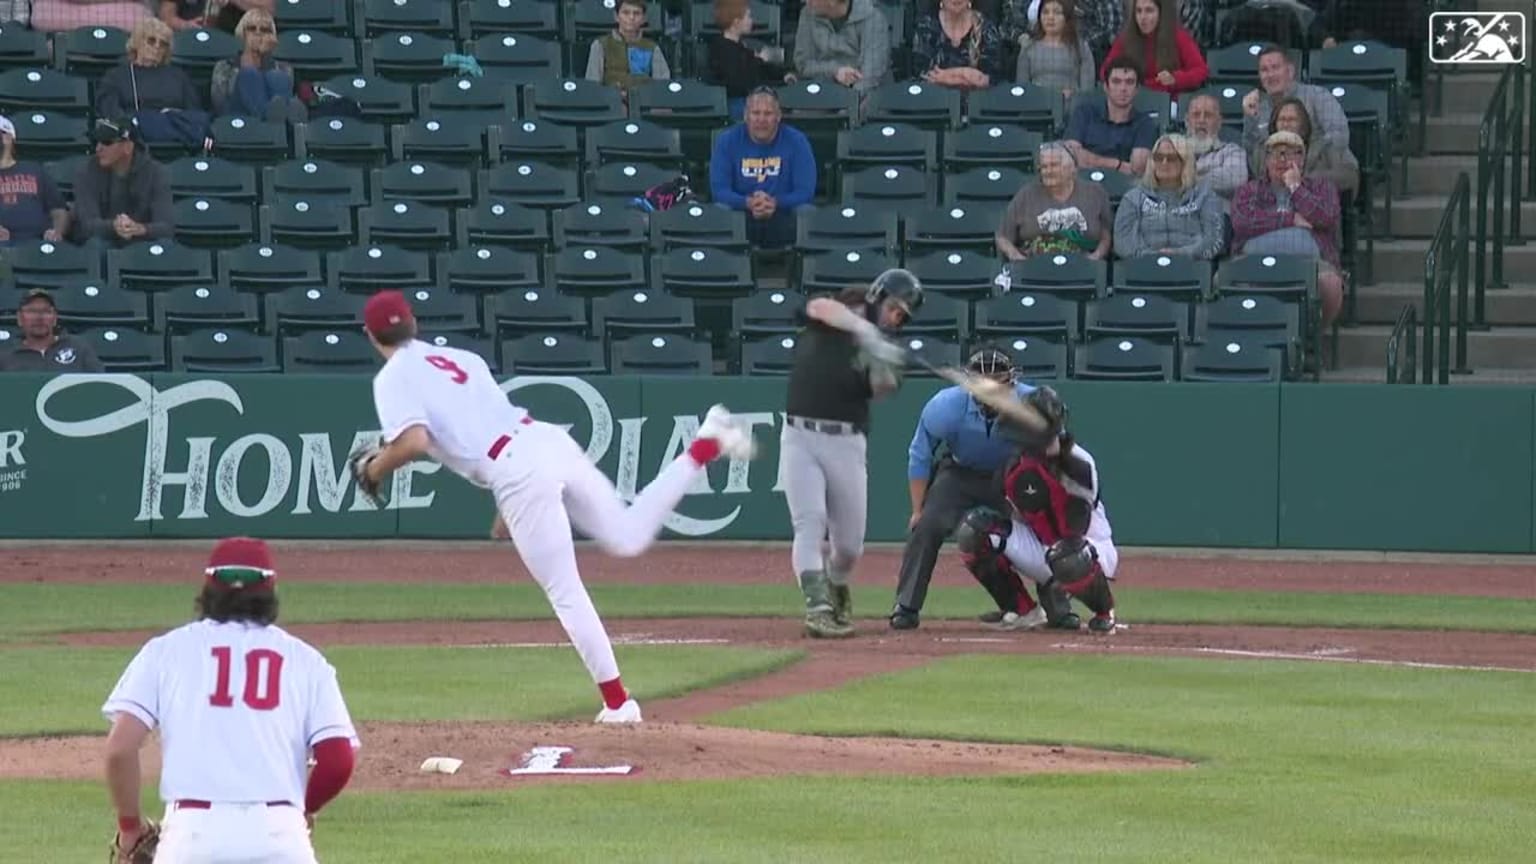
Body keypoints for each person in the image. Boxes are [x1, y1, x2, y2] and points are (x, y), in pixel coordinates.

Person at [354, 290, 758, 722]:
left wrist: (374, 469)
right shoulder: (460, 357)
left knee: (565, 590)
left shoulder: (392, 378)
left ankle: (618, 703)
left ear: (369, 335)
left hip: (515, 469)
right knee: (626, 537)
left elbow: (414, 442)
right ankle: (705, 444)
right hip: (543, 440)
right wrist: (509, 504)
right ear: (413, 322)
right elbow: (485, 425)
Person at [102, 537, 359, 863]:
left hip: (193, 837)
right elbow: (338, 760)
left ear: (208, 588)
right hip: (279, 836)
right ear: (270, 591)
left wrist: (129, 827)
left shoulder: (165, 652)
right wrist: (304, 809)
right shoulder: (306, 661)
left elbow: (120, 749)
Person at [782, 269, 923, 638]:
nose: (895, 318)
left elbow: (882, 389)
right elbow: (817, 307)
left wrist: (882, 357)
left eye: (902, 316)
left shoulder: (887, 346)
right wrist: (864, 331)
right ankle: (817, 609)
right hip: (798, 435)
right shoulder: (837, 312)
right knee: (809, 523)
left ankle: (837, 584)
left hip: (845, 441)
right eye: (893, 308)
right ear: (878, 296)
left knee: (848, 547)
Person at [889, 347, 1034, 631]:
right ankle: (906, 606)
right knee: (926, 526)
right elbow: (920, 454)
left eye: (997, 380)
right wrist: (917, 510)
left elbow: (1055, 452)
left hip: (1012, 474)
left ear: (1011, 381)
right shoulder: (945, 406)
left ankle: (1055, 609)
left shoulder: (1032, 403)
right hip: (959, 473)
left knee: (1043, 529)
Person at [963, 387, 1119, 633]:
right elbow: (1017, 517)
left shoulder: (1079, 463)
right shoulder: (1015, 467)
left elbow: (1074, 524)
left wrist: (1053, 463)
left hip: (1089, 549)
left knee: (1066, 555)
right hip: (1044, 547)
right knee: (974, 530)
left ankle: (1104, 611)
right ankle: (1022, 610)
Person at [1231, 130, 1343, 329]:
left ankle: (1312, 338)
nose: (1282, 160)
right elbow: (1243, 222)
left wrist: (1296, 188)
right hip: (1253, 263)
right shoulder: (1249, 190)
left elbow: (1326, 216)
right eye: (1276, 153)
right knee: (1221, 279)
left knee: (1331, 285)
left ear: (1302, 159)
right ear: (1266, 160)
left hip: (1310, 263)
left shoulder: (1322, 188)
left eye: (1291, 153)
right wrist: (1290, 219)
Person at [707, 87, 816, 250]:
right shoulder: (727, 140)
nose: (761, 119)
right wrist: (748, 202)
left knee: (808, 212)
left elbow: (805, 191)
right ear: (745, 115)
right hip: (741, 212)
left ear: (778, 116)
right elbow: (719, 190)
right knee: (719, 211)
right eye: (756, 113)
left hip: (783, 213)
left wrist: (775, 202)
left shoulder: (797, 141)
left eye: (768, 113)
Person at [95, 18, 209, 149]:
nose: (157, 46)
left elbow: (194, 115)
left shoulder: (179, 76)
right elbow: (111, 112)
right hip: (134, 143)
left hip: (177, 144)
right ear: (137, 42)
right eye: (151, 40)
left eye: (163, 44)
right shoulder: (116, 76)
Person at [1113, 132, 1225, 259]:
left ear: (1185, 162)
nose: (1164, 163)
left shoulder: (1205, 196)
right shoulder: (1133, 198)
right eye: (1158, 157)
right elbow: (1122, 243)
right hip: (1144, 267)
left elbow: (1213, 240)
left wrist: (1180, 255)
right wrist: (1153, 258)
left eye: (1171, 158)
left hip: (1192, 266)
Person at [995, 141, 1112, 261]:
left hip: (1083, 264)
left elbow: (1106, 234)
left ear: (1072, 168)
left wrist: (1096, 256)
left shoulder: (1095, 193)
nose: (1048, 171)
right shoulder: (1026, 195)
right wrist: (1016, 256)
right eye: (1044, 167)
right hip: (1034, 265)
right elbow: (1002, 237)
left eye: (1054, 165)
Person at [71, 117, 174, 246]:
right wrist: (114, 226)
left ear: (128, 147)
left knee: (164, 245)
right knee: (95, 244)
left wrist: (140, 229)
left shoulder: (155, 173)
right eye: (97, 142)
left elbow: (166, 227)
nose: (98, 148)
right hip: (102, 242)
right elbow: (87, 225)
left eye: (107, 142)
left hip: (141, 243)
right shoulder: (86, 172)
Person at [1241, 43, 1349, 157]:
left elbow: (1339, 136)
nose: (1270, 75)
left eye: (1275, 67)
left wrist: (1301, 157)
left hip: (1322, 164)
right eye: (1264, 70)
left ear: (1290, 71)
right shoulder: (1258, 106)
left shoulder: (1318, 95)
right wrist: (1250, 118)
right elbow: (1250, 152)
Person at [1064, 56, 1159, 177]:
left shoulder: (1145, 123)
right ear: (1106, 87)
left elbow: (1137, 169)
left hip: (1124, 186)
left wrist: (1089, 158)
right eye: (1116, 82)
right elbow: (1070, 155)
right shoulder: (1084, 114)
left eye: (1129, 82)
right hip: (1083, 182)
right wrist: (1117, 165)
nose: (1123, 88)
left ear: (1137, 89)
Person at [209, 9, 307, 123]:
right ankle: (272, 122)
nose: (258, 33)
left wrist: (265, 57)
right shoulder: (225, 66)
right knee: (249, 74)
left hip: (276, 119)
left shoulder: (283, 68)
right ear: (243, 33)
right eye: (252, 28)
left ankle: (277, 122)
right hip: (236, 119)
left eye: (264, 30)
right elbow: (219, 103)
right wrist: (250, 53)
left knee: (276, 76)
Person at [1250, 96, 1357, 199]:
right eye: (1282, 119)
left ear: (1303, 124)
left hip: (1313, 203)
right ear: (1275, 124)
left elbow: (1349, 176)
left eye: (1292, 120)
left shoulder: (1325, 147)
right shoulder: (1262, 150)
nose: (1286, 124)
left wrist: (1304, 181)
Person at [707, 0, 793, 121]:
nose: (751, 20)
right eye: (748, 16)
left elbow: (760, 66)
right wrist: (759, 61)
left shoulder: (741, 47)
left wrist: (783, 75)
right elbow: (740, 82)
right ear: (736, 22)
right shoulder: (722, 49)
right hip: (735, 104)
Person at [1100, 0, 1207, 95]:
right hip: (1135, 101)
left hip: (1168, 101)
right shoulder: (1125, 38)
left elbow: (1201, 71)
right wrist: (1122, 80)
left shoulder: (1178, 36)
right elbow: (1105, 71)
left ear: (1161, 13)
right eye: (1139, 11)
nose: (1143, 17)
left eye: (1149, 11)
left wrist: (1175, 79)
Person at [793, 0, 891, 94]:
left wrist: (850, 100)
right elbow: (804, 64)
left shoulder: (872, 17)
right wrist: (835, 71)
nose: (806, 1)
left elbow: (871, 75)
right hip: (821, 90)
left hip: (864, 93)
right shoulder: (808, 13)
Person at [0, 115, 69, 245]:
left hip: (39, 244)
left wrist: (56, 232)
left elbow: (58, 209)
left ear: (8, 138)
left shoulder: (35, 171)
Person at [0, 289, 104, 373]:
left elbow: (99, 385)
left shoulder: (79, 348)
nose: (39, 317)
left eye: (46, 311)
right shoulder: (5, 356)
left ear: (55, 318)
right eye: (32, 311)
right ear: (19, 318)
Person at [912, 0, 1006, 92]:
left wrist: (945, 76)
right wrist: (967, 75)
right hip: (935, 97)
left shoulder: (986, 28)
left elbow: (991, 79)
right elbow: (922, 75)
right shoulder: (926, 26)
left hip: (977, 99)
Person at [1013, 0, 1095, 103]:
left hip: (1072, 106)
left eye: (1057, 12)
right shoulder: (1028, 48)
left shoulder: (1081, 47)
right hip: (1037, 106)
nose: (1050, 17)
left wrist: (1073, 95)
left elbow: (1087, 91)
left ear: (1067, 17)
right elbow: (1022, 89)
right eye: (1045, 12)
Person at [585, 0, 672, 92]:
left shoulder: (652, 48)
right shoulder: (600, 45)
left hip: (644, 98)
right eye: (626, 13)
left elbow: (662, 84)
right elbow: (593, 85)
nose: (631, 17)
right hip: (611, 98)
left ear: (643, 18)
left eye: (636, 13)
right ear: (616, 16)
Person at [1184, 92, 1248, 206]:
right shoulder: (1172, 149)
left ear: (1219, 122)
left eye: (1208, 115)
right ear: (1187, 121)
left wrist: (1185, 177)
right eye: (1196, 115)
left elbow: (1236, 179)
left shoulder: (1232, 151)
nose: (1201, 120)